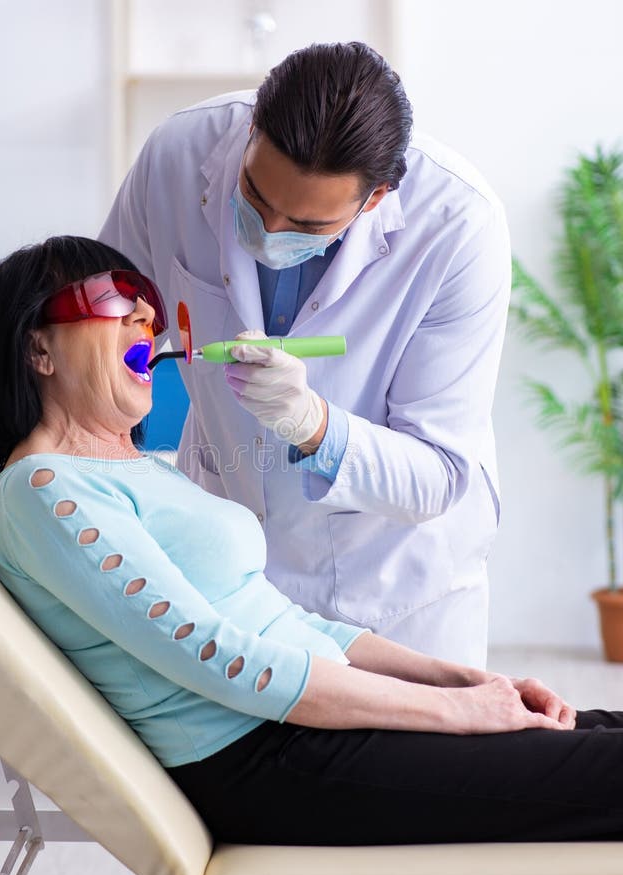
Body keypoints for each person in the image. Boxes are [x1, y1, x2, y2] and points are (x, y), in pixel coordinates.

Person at [0, 234, 623, 847]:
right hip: (271, 758)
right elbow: (222, 660)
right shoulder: (46, 490)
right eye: (111, 300)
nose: (144, 318)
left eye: (146, 302)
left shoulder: (125, 470)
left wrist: (472, 683)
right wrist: (460, 713)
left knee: (598, 733)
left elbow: (291, 624)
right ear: (36, 348)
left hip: (309, 728)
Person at [98, 41, 511, 669]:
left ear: (373, 201)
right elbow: (96, 323)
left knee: (399, 764)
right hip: (224, 570)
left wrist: (316, 427)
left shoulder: (458, 227)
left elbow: (439, 476)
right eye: (255, 200)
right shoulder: (179, 155)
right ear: (251, 132)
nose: (269, 234)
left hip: (388, 594)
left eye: (308, 227)